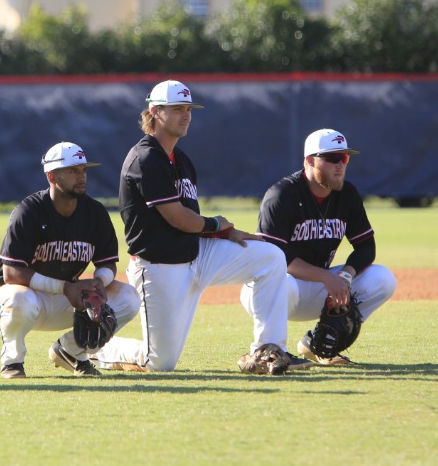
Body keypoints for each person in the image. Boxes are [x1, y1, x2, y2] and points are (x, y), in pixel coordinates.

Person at [91, 80, 298, 373]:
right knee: (160, 362)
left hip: (197, 254)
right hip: (159, 266)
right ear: (155, 111)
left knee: (270, 257)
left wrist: (225, 232)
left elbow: (190, 219)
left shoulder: (182, 160)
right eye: (177, 108)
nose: (186, 115)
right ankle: (95, 347)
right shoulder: (146, 157)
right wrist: (216, 223)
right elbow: (177, 217)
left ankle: (268, 349)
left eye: (188, 109)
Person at [241, 128, 397, 364]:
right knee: (283, 281)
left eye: (344, 158)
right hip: (271, 289)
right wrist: (326, 277)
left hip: (315, 288)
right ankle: (270, 351)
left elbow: (366, 247)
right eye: (332, 158)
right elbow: (273, 255)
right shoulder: (282, 195)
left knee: (382, 279)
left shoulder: (347, 194)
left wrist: (344, 276)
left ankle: (318, 343)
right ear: (309, 161)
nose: (340, 165)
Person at [0, 142, 140, 378]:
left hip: (66, 300)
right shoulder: (28, 212)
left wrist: (99, 280)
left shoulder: (95, 213)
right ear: (51, 176)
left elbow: (107, 262)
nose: (81, 177)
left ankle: (71, 351)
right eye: (72, 171)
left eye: (83, 170)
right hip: (21, 299)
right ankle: (12, 360)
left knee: (128, 298)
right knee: (19, 299)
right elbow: (12, 274)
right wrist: (65, 286)